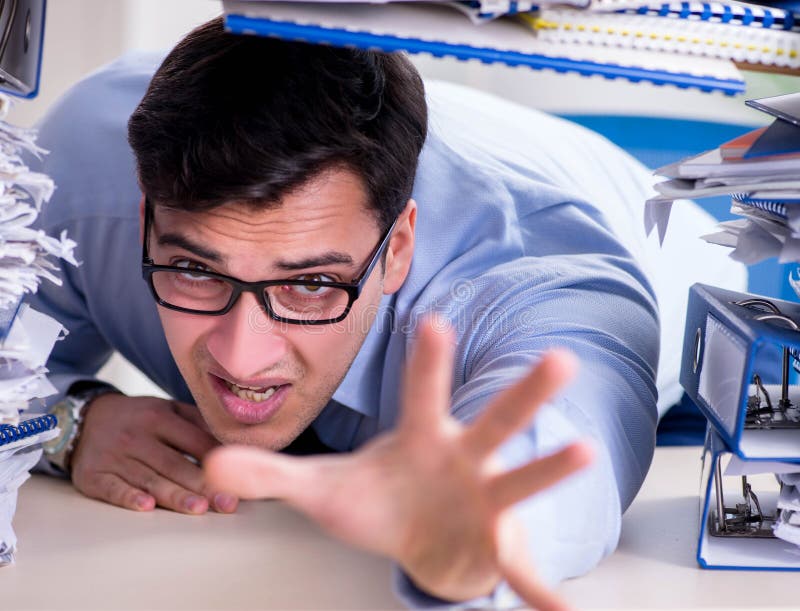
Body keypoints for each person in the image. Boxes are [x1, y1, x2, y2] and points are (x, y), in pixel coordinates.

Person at [30, 17, 660, 609]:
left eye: (311, 283)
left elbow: (561, 440)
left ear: (399, 249)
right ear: (146, 219)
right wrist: (68, 421)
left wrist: (472, 538)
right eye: (195, 270)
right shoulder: (77, 174)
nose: (241, 359)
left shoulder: (536, 289)